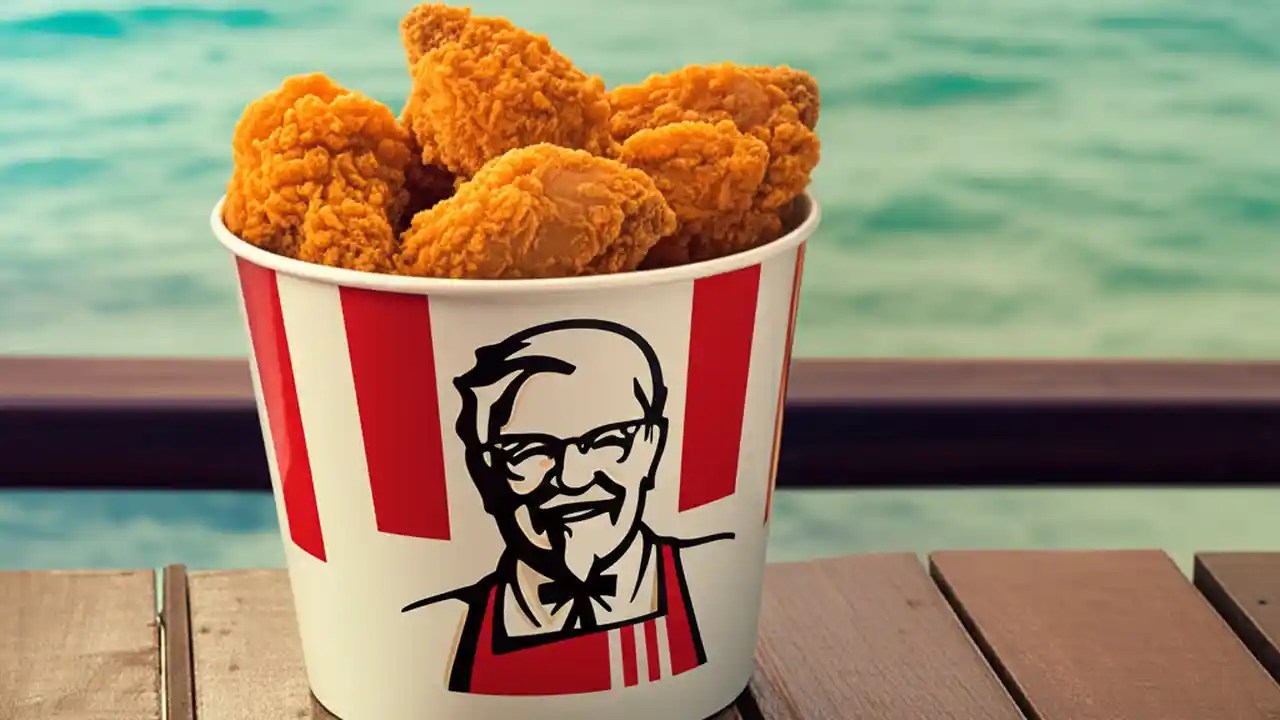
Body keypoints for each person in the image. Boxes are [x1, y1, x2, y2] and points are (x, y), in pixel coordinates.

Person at [402, 319, 733, 695]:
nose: (573, 479)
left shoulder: (718, 576)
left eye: (609, 439)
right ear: (483, 474)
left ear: (652, 448)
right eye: (529, 451)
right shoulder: (438, 629)